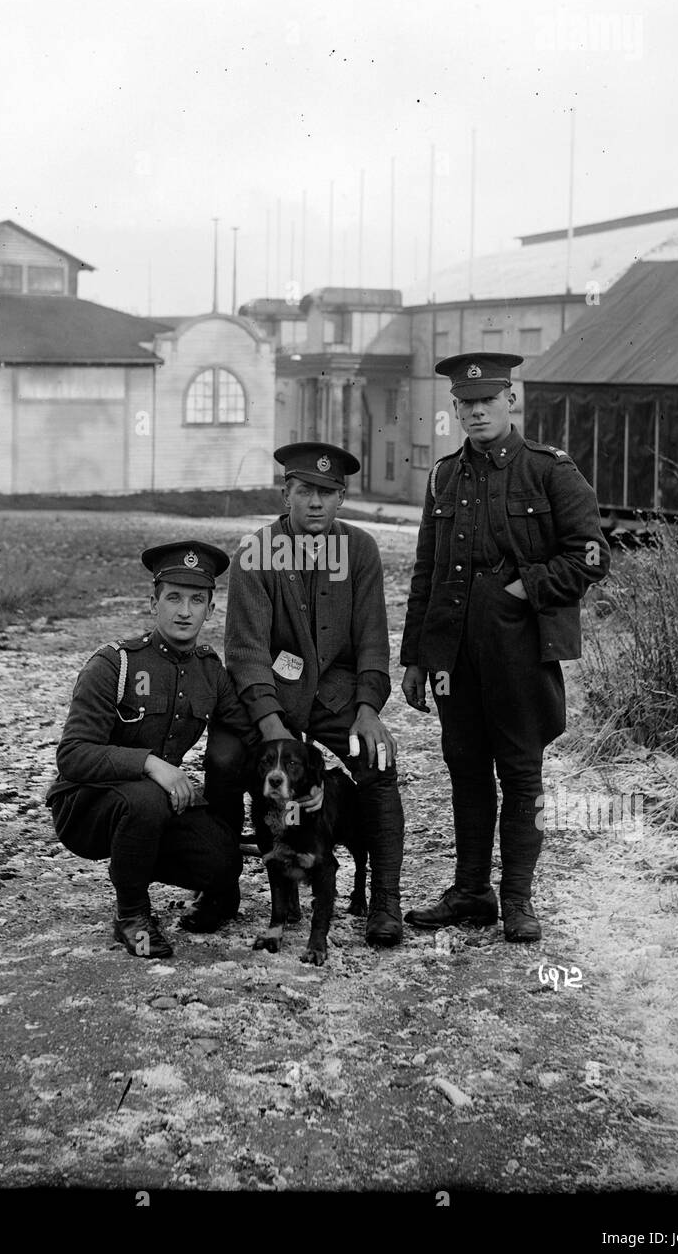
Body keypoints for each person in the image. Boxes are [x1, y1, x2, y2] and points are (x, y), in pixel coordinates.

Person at [400, 353, 610, 942]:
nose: (476, 412)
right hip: (455, 654)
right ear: (455, 409)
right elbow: (426, 570)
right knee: (465, 771)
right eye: (465, 404)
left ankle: (517, 899)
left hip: (520, 650)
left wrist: (525, 587)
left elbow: (592, 556)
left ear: (509, 400)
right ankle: (471, 892)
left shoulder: (550, 471)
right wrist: (417, 656)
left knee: (521, 775)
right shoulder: (444, 477)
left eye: (487, 401)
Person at [206, 441, 406, 946]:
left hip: (337, 698)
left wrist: (367, 710)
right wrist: (273, 728)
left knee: (378, 762)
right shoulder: (256, 553)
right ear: (286, 494)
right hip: (270, 697)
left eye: (328, 492)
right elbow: (246, 652)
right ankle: (220, 888)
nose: (316, 502)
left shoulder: (359, 549)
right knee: (227, 761)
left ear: (341, 498)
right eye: (304, 491)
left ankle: (384, 902)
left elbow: (372, 642)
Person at [45, 540, 257, 959]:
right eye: (174, 597)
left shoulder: (210, 673)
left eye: (197, 600)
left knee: (222, 862)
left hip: (152, 809)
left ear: (211, 609)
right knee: (144, 795)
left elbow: (246, 732)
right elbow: (72, 755)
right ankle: (133, 916)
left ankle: (134, 862)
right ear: (154, 602)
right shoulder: (114, 664)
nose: (184, 611)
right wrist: (150, 763)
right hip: (84, 806)